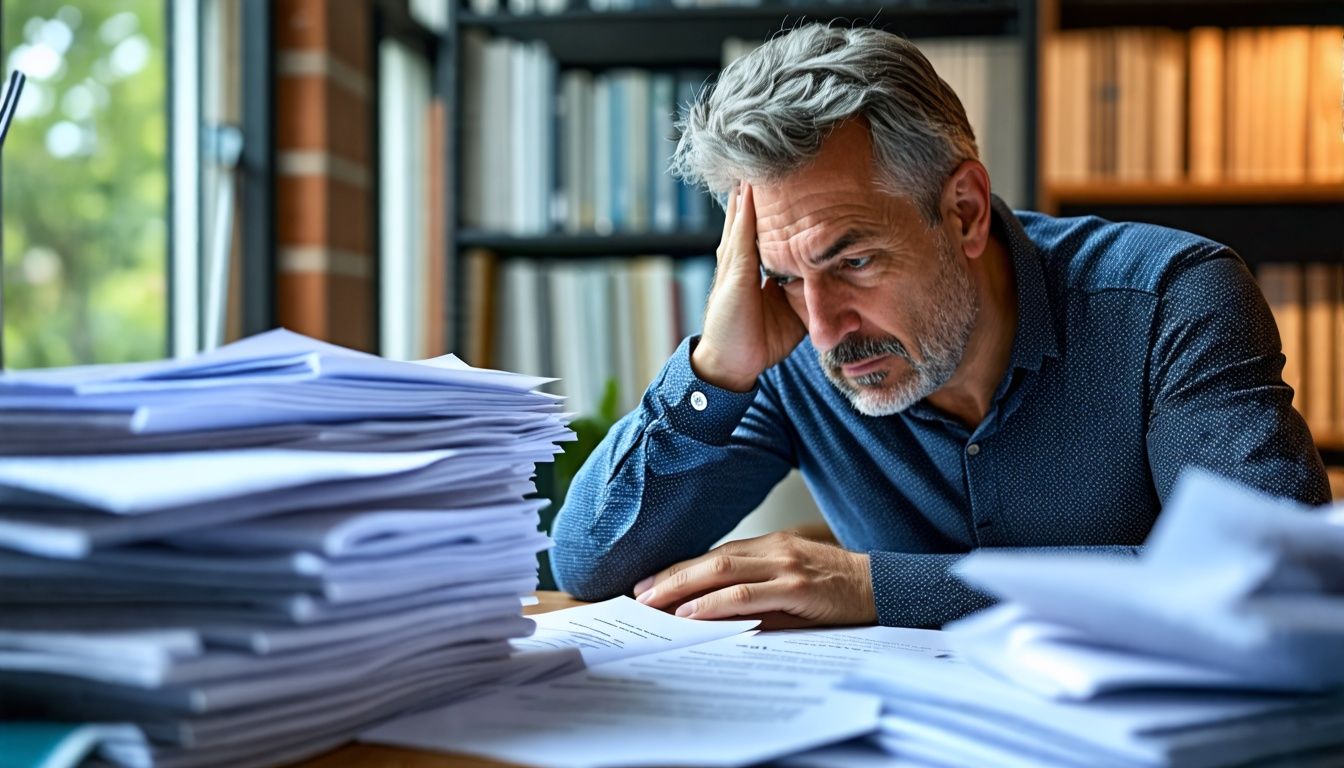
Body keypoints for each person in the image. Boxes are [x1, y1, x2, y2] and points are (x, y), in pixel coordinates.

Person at [549, 24, 1331, 629]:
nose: (824, 327)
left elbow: (1271, 578)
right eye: (785, 276)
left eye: (854, 261)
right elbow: (589, 562)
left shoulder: (1168, 300)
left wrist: (877, 588)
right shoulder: (784, 350)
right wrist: (715, 372)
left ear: (964, 211)